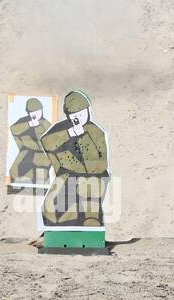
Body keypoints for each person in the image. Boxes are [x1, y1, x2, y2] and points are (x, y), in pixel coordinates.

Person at [39, 90, 109, 227]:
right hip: (67, 175)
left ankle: (90, 238)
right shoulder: (63, 128)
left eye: (80, 114)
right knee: (49, 207)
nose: (77, 119)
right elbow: (47, 141)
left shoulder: (96, 131)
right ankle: (53, 236)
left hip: (93, 177)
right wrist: (69, 133)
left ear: (88, 111)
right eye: (73, 116)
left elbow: (102, 164)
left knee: (89, 212)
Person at [8, 97, 51, 187]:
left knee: (41, 181)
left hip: (41, 156)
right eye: (32, 113)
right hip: (26, 153)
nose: (35, 115)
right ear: (28, 113)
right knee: (14, 171)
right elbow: (13, 129)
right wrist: (30, 124)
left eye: (38, 111)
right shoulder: (24, 121)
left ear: (42, 111)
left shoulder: (45, 123)